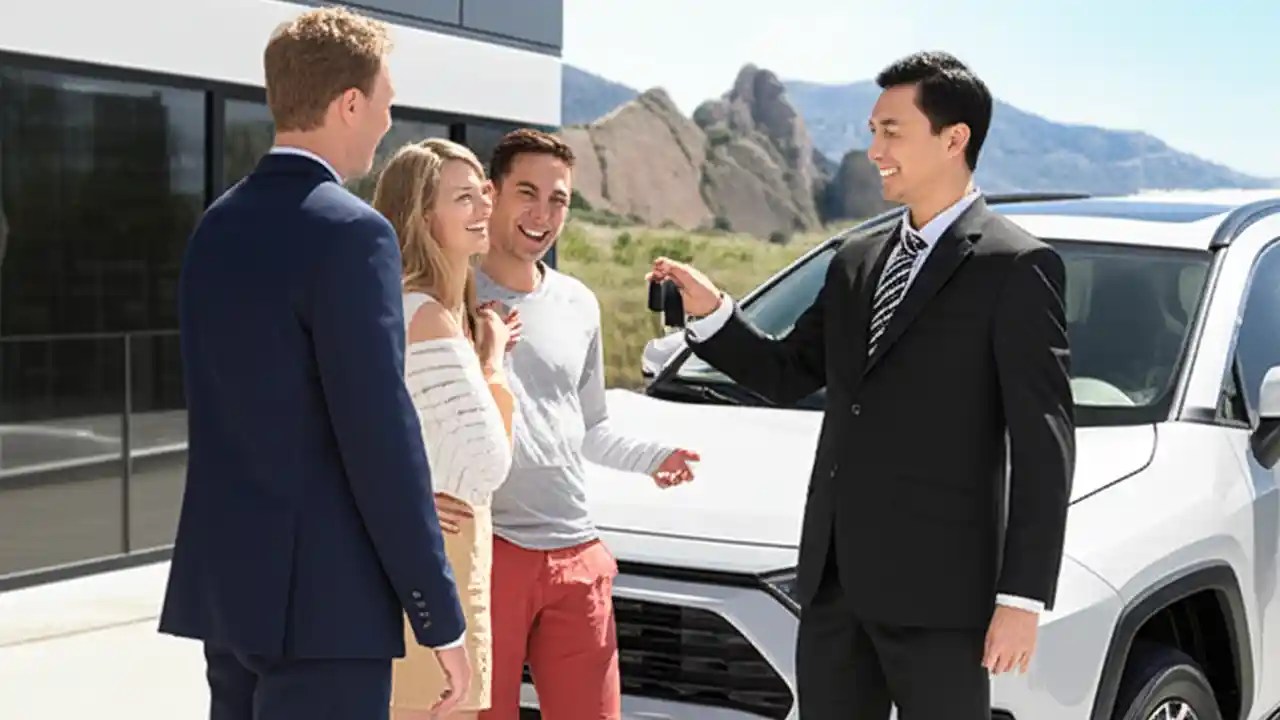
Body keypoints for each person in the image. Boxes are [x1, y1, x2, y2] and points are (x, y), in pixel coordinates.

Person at [647, 51, 1075, 719]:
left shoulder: (1016, 267)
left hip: (942, 599)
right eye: (872, 130)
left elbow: (1044, 442)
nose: (873, 148)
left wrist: (1020, 598)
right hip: (832, 588)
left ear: (953, 139)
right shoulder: (855, 258)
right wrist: (713, 314)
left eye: (891, 131)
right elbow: (789, 375)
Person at [158, 8, 471, 719]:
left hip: (229, 596)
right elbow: (380, 437)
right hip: (327, 609)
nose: (389, 123)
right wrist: (438, 614)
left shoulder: (217, 225)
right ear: (350, 102)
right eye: (387, 104)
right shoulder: (353, 234)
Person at [470, 129, 701, 720]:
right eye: (528, 193)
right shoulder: (452, 292)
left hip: (577, 550)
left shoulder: (577, 302)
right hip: (489, 550)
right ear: (491, 193)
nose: (543, 215)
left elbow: (589, 425)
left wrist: (655, 457)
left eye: (559, 200)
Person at [371, 138, 520, 719]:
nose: (485, 207)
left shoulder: (421, 308)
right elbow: (488, 464)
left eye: (483, 191)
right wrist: (493, 360)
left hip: (439, 559)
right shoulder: (427, 316)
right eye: (465, 198)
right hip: (440, 568)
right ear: (422, 217)